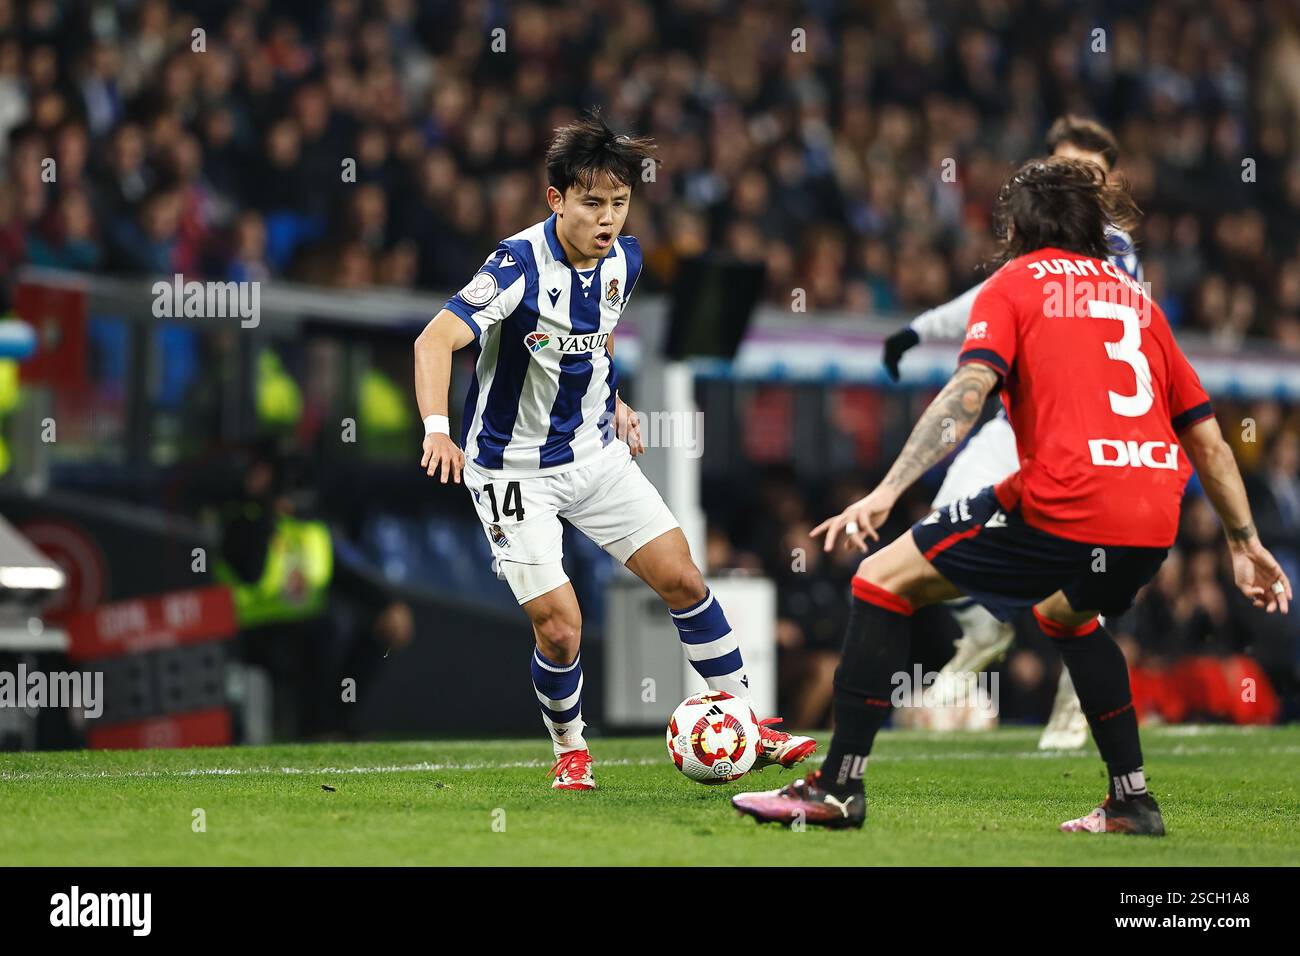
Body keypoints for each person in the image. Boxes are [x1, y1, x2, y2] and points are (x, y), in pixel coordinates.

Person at [733, 156, 1291, 833]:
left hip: (1067, 503)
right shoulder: (1137, 301)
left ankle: (838, 788)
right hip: (1152, 517)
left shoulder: (1016, 283)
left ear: (1018, 227)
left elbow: (966, 396)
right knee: (1066, 614)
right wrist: (1245, 541)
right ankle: (1132, 799)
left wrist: (888, 489)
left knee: (880, 580)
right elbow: (1208, 443)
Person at [413, 111, 814, 791]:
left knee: (685, 578)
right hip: (513, 471)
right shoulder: (515, 266)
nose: (608, 219)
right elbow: (433, 341)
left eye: (619, 203)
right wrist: (435, 429)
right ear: (557, 199)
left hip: (594, 455)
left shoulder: (625, 261)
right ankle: (571, 749)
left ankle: (750, 724)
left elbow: (590, 346)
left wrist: (615, 402)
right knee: (561, 627)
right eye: (592, 203)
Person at [880, 116, 1143, 748]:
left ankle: (1076, 695)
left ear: (1111, 183)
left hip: (1081, 430)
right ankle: (986, 631)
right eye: (1063, 170)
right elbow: (992, 294)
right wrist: (920, 329)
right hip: (1013, 421)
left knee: (1081, 558)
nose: (1073, 183)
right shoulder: (1036, 250)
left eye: (1088, 173)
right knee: (941, 531)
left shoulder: (1115, 253)